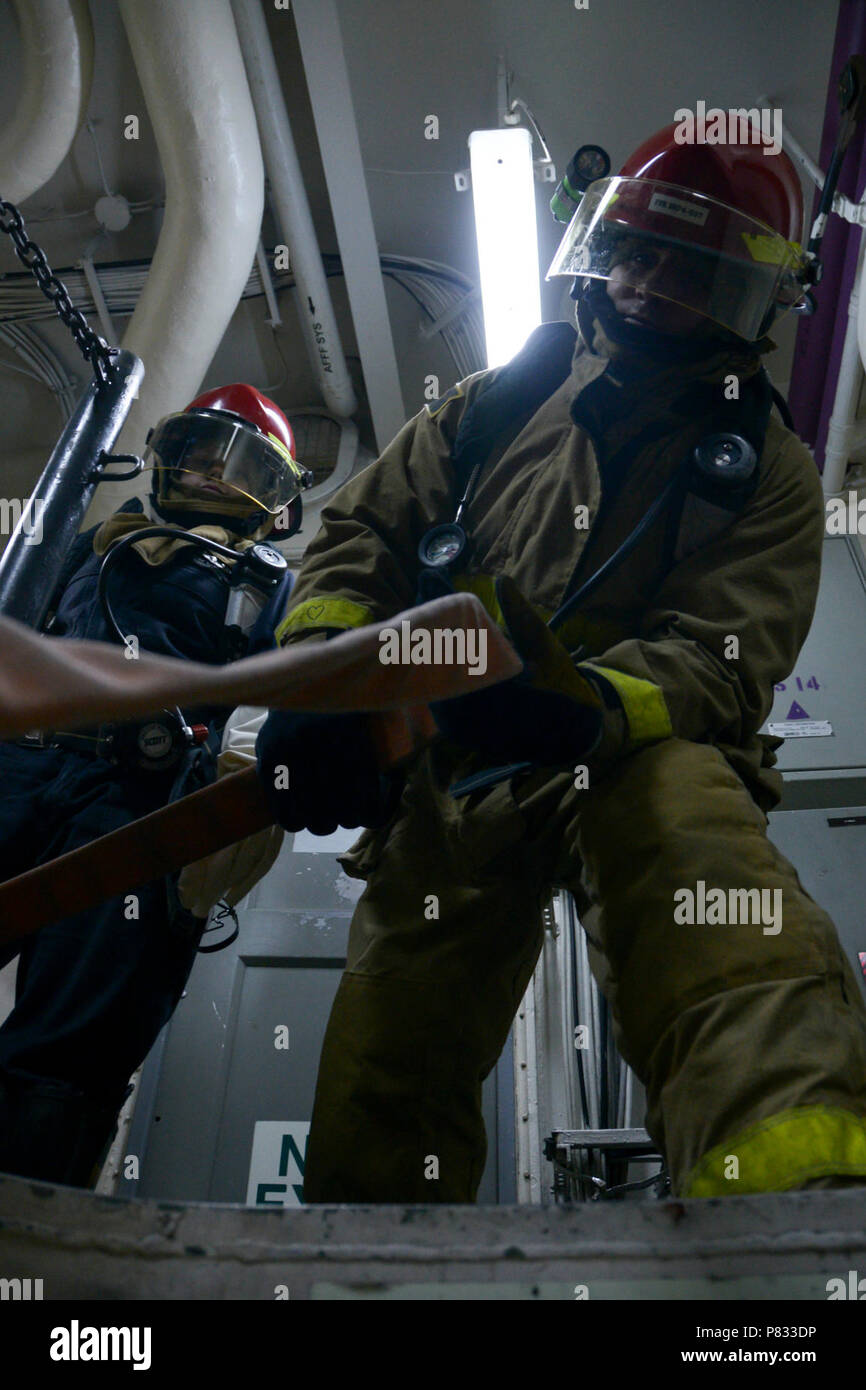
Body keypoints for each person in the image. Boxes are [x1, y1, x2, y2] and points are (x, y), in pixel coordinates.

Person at [256, 124, 866, 1202]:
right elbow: (359, 535)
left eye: (688, 269)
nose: (644, 286)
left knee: (709, 897)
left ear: (750, 297)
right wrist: (318, 684)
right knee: (390, 1043)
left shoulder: (766, 472)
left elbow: (722, 658)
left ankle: (792, 1199)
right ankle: (374, 1270)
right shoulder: (498, 399)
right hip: (452, 759)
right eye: (632, 253)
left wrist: (585, 707)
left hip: (627, 752)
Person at [0, 383, 306, 1187]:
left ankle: (29, 1245)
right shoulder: (86, 545)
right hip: (21, 767)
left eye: (240, 464)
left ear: (275, 501)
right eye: (202, 451)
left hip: (137, 799)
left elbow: (268, 706)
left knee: (72, 1045)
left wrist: (234, 814)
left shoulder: (267, 583)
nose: (212, 472)